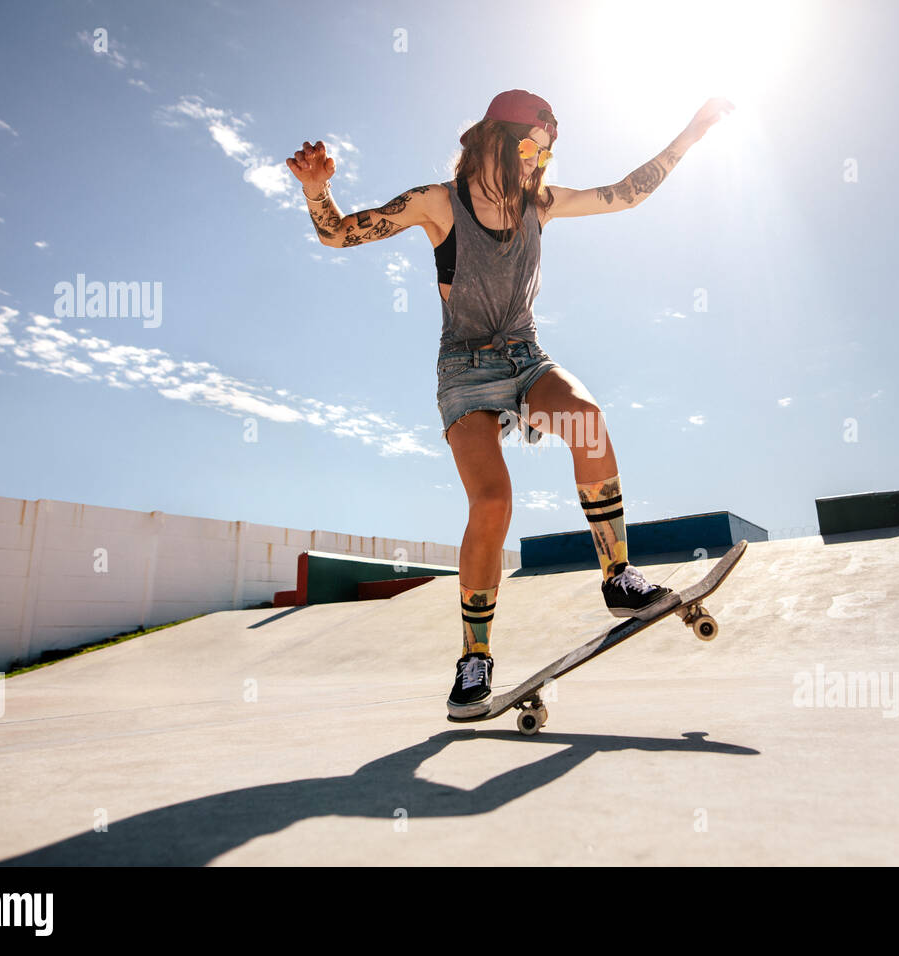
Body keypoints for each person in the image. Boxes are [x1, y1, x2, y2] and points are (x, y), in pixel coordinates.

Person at [287, 90, 734, 718]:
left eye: (547, 152)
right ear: (498, 138)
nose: (538, 163)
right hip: (464, 373)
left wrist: (692, 131)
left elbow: (629, 191)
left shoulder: (540, 205)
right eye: (533, 147)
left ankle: (618, 579)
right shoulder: (438, 202)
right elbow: (337, 235)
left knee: (586, 421)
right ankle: (475, 658)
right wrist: (316, 189)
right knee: (493, 502)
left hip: (526, 359)